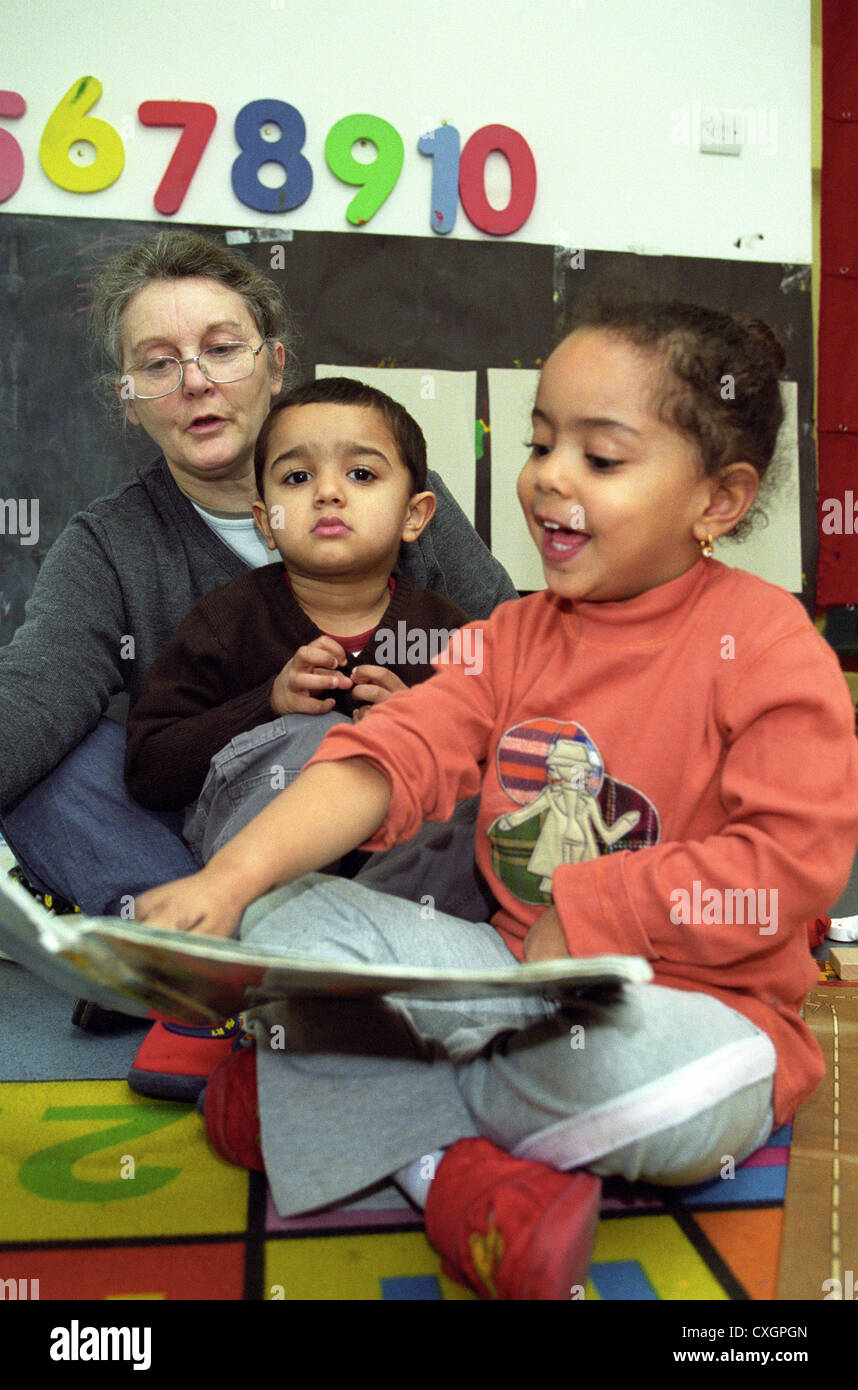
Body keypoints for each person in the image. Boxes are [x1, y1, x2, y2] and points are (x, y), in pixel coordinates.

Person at [133, 300, 858, 1301]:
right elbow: (386, 753)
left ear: (719, 501)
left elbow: (784, 873)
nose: (550, 477)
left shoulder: (777, 649)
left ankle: (328, 1098)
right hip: (496, 979)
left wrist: (592, 911)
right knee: (281, 914)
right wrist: (228, 878)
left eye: (600, 458)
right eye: (540, 442)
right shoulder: (513, 632)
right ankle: (453, 1177)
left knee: (687, 1094)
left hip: (686, 1012)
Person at [0, 230, 516, 931]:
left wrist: (426, 719)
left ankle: (232, 959)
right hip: (197, 844)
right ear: (128, 400)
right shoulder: (109, 543)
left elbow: (515, 661)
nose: (194, 382)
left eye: (220, 349)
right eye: (157, 365)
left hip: (398, 836)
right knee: (57, 765)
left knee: (505, 753)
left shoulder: (401, 497)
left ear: (274, 365)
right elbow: (33, 695)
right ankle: (224, 939)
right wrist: (263, 711)